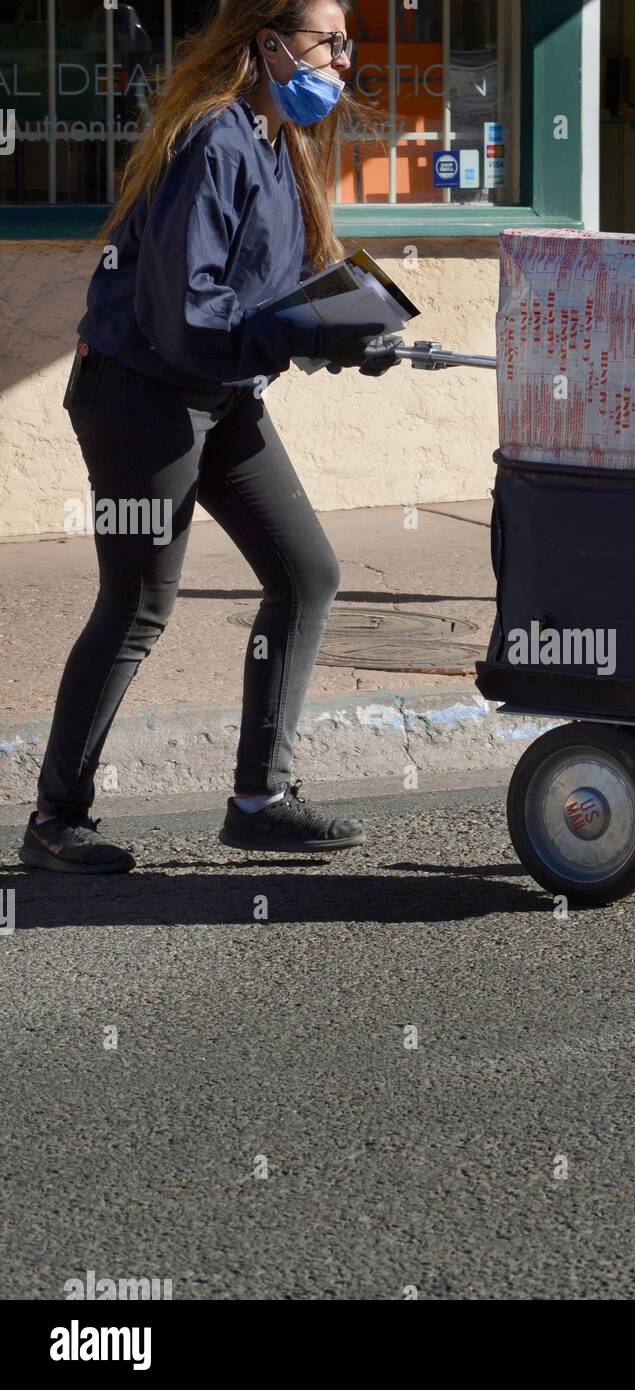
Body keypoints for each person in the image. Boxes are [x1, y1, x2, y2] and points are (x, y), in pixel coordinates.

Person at [21, 1, 399, 875]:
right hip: (142, 395)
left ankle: (261, 800)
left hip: (219, 393)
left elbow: (267, 301)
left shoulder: (277, 145)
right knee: (140, 605)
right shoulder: (212, 138)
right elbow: (187, 314)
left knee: (307, 575)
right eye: (326, 43)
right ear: (268, 44)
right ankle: (54, 820)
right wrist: (306, 336)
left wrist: (351, 332)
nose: (341, 62)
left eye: (347, 45)